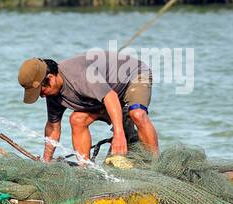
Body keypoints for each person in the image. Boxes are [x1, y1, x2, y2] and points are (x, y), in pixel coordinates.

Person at [18, 50, 157, 162]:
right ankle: (86, 169)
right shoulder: (53, 94)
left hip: (132, 76)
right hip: (105, 94)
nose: (42, 96)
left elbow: (111, 97)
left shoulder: (79, 76)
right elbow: (53, 128)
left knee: (137, 114)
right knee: (77, 119)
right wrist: (46, 161)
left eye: (41, 91)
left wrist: (118, 134)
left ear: (50, 78)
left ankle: (156, 165)